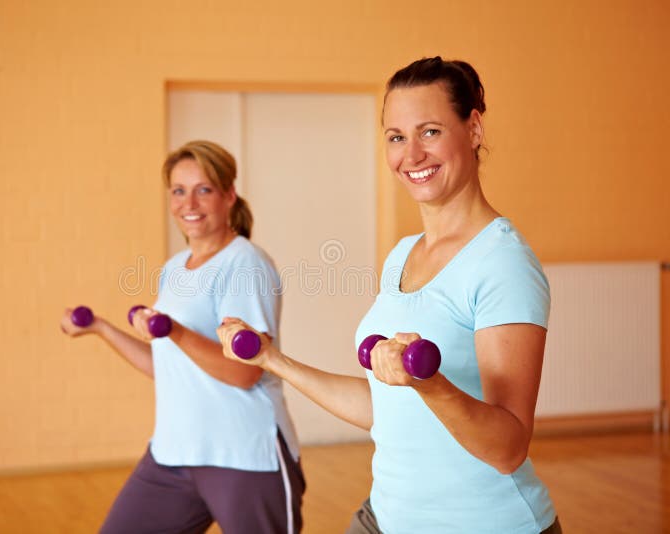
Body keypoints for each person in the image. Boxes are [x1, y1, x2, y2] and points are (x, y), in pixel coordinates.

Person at [217, 57, 560, 533]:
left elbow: (507, 448)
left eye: (431, 132)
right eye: (397, 137)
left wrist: (429, 381)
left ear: (474, 129)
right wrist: (273, 359)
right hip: (387, 516)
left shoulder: (502, 264)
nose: (412, 154)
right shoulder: (402, 255)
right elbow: (384, 406)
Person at [61, 140, 304, 534]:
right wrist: (101, 328)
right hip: (174, 454)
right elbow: (170, 367)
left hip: (242, 455)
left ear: (228, 195)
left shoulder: (245, 264)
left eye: (203, 189)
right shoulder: (175, 268)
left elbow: (245, 373)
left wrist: (173, 330)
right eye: (178, 191)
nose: (189, 203)